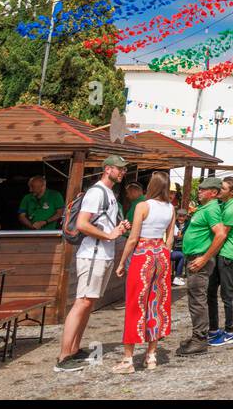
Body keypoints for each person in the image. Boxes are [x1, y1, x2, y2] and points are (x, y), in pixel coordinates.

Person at [55, 155, 133, 371]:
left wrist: (118, 228)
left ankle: (74, 348)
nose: (123, 172)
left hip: (102, 254)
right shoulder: (97, 192)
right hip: (93, 254)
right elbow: (82, 223)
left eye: (124, 169)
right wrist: (108, 235)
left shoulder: (109, 194)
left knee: (89, 303)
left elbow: (103, 223)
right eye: (120, 169)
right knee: (82, 302)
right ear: (108, 169)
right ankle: (63, 357)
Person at [112, 170, 175, 373]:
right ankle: (151, 355)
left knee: (135, 303)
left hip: (143, 255)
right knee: (156, 303)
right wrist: (163, 252)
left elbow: (133, 238)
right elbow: (170, 238)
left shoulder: (143, 206)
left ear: (152, 186)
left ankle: (128, 359)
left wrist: (122, 262)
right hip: (162, 255)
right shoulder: (170, 208)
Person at [176, 177, 229, 356]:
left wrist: (205, 258)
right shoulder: (207, 208)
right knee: (196, 298)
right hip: (196, 257)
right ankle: (198, 337)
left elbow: (220, 234)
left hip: (199, 259)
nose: (199, 192)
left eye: (202, 189)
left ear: (213, 193)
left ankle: (199, 340)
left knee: (197, 300)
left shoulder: (212, 209)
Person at [206, 176, 233, 346]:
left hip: (230, 254)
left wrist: (205, 256)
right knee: (211, 290)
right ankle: (214, 328)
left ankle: (230, 332)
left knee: (228, 294)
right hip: (221, 253)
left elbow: (222, 234)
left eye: (222, 188)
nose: (219, 190)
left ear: (232, 192)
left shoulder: (231, 208)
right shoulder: (223, 204)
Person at [170, 210, 188, 287]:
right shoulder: (174, 223)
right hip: (174, 245)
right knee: (179, 258)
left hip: (183, 245)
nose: (181, 218)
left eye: (183, 216)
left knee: (181, 259)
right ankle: (175, 276)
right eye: (179, 216)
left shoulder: (188, 224)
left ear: (186, 217)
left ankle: (178, 276)